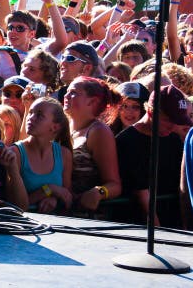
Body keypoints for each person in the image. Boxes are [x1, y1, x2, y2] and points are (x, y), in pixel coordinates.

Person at [116, 84, 191, 226]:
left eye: (177, 121)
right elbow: (141, 190)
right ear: (150, 113)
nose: (173, 126)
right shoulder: (127, 141)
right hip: (140, 226)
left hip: (175, 220)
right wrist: (157, 230)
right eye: (168, 120)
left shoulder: (175, 137)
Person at [63, 77, 122, 214]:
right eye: (67, 91)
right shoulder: (64, 127)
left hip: (86, 219)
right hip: (60, 212)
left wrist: (99, 192)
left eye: (73, 93)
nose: (66, 96)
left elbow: (114, 184)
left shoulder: (98, 132)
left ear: (92, 101)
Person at [6, 97, 73, 213]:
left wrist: (54, 198)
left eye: (40, 115)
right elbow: (17, 206)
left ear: (55, 127)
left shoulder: (64, 154)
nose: (31, 118)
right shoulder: (15, 153)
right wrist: (48, 190)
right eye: (31, 113)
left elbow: (66, 196)